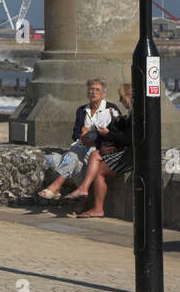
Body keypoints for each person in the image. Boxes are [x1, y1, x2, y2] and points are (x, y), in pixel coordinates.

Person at [38, 78, 115, 200]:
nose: (93, 92)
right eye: (91, 89)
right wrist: (82, 135)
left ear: (103, 94)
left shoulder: (111, 109)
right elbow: (75, 133)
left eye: (97, 90)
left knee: (73, 156)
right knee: (76, 158)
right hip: (82, 145)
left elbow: (115, 132)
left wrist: (94, 136)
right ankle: (80, 198)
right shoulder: (81, 110)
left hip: (99, 147)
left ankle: (57, 186)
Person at [66, 82, 135, 218]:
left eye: (121, 97)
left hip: (130, 155)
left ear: (128, 96)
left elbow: (128, 138)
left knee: (97, 167)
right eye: (91, 89)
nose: (120, 101)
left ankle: (92, 202)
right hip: (125, 151)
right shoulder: (132, 112)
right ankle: (85, 191)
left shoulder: (136, 113)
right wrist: (118, 120)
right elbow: (75, 133)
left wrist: (106, 133)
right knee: (94, 156)